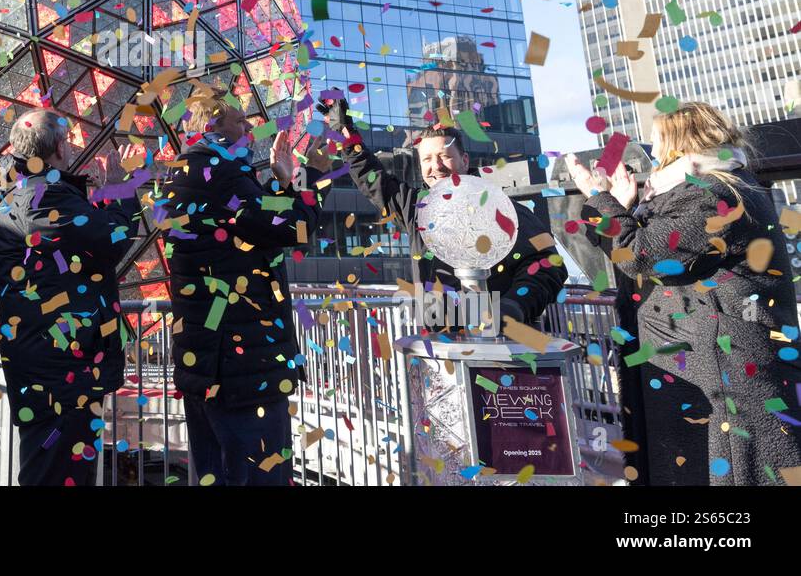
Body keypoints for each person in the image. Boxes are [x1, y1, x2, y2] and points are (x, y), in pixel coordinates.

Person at [569, 102, 801, 485]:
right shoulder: (694, 191)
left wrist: (600, 196)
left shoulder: (716, 194)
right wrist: (620, 206)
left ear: (680, 143)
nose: (653, 152)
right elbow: (633, 243)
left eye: (659, 142)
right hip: (700, 365)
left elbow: (644, 256)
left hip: (725, 373)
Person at [161, 87, 329, 485]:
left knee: (215, 472)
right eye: (240, 119)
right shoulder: (219, 173)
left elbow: (250, 225)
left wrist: (280, 182)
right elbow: (294, 227)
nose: (251, 125)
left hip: (210, 362)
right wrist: (310, 178)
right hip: (241, 369)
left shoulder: (192, 171)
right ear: (213, 126)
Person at [0, 109, 148, 486]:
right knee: (57, 469)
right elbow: (111, 241)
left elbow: (74, 246)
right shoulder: (43, 196)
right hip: (61, 364)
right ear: (58, 147)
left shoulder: (14, 186)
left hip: (46, 357)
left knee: (54, 464)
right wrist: (120, 190)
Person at [326, 98, 565, 327]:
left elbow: (550, 262)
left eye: (444, 156)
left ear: (464, 160)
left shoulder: (501, 207)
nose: (436, 166)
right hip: (440, 339)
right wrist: (346, 134)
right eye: (427, 159)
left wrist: (514, 306)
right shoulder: (416, 208)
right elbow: (373, 179)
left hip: (499, 343)